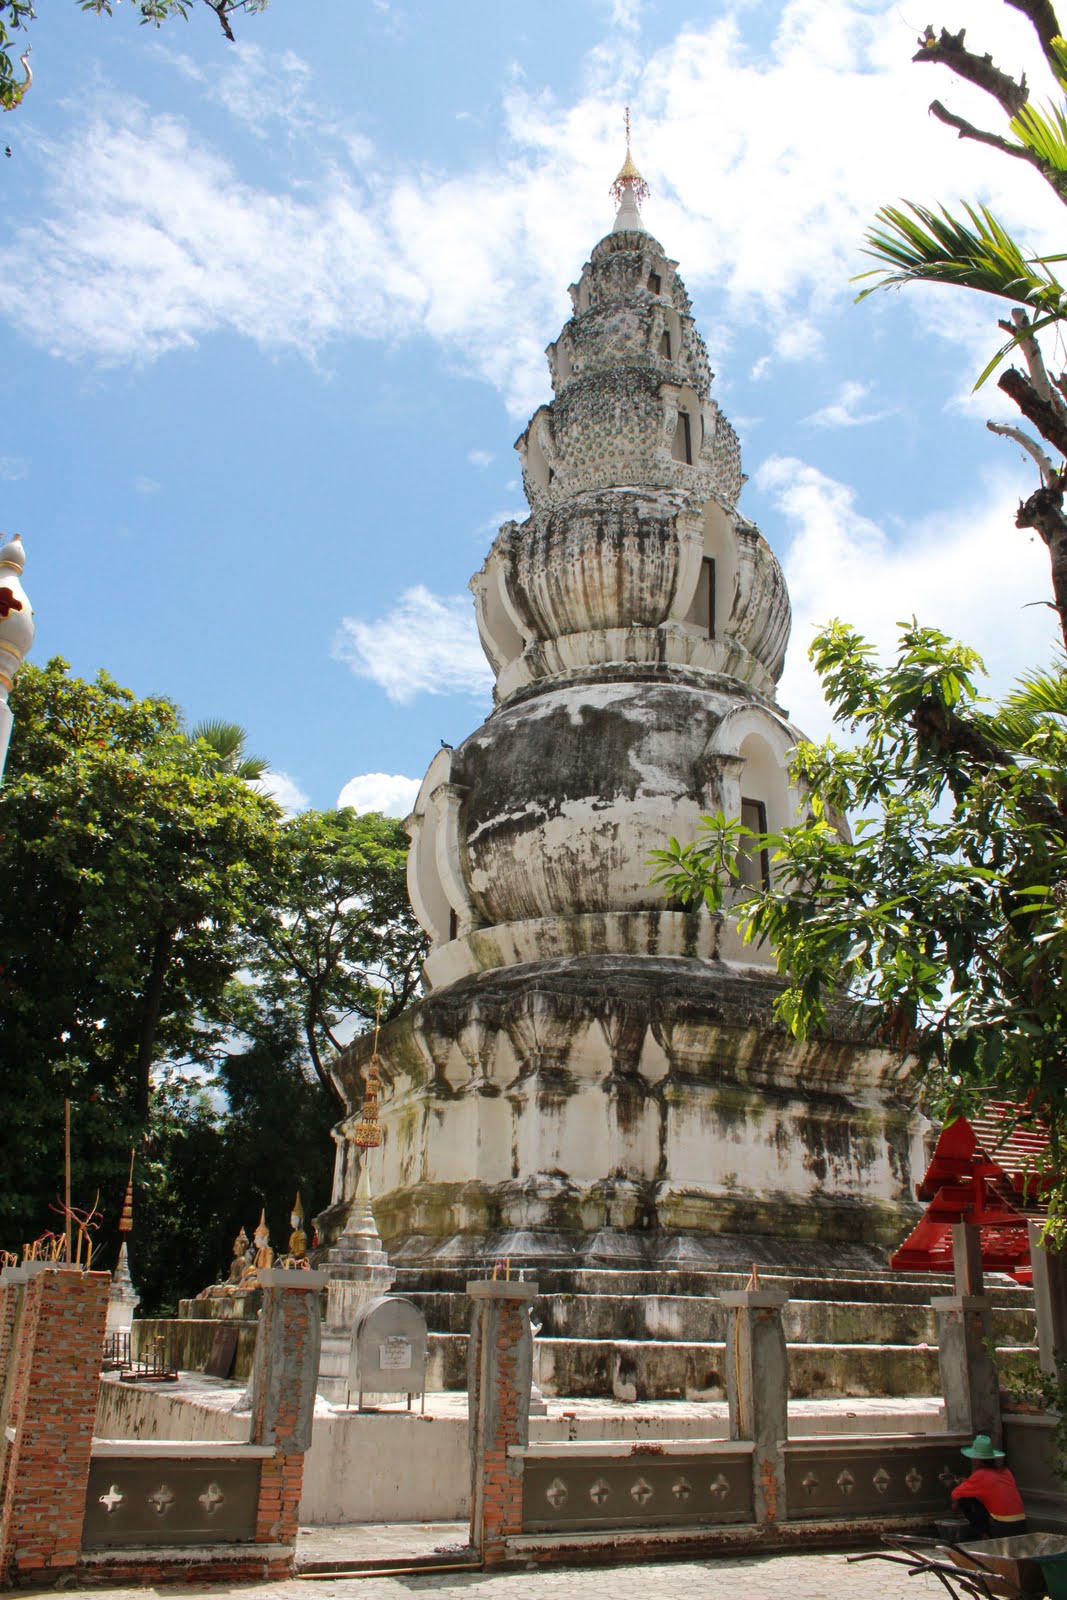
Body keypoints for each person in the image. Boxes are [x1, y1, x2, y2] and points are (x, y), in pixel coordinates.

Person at [950, 1433, 1027, 1539]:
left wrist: (955, 1504)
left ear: (977, 1460)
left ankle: (984, 1534)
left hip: (1003, 1527)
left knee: (963, 1500)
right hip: (1021, 1524)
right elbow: (992, 1489)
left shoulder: (980, 1475)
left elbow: (955, 1494)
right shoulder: (1006, 1472)